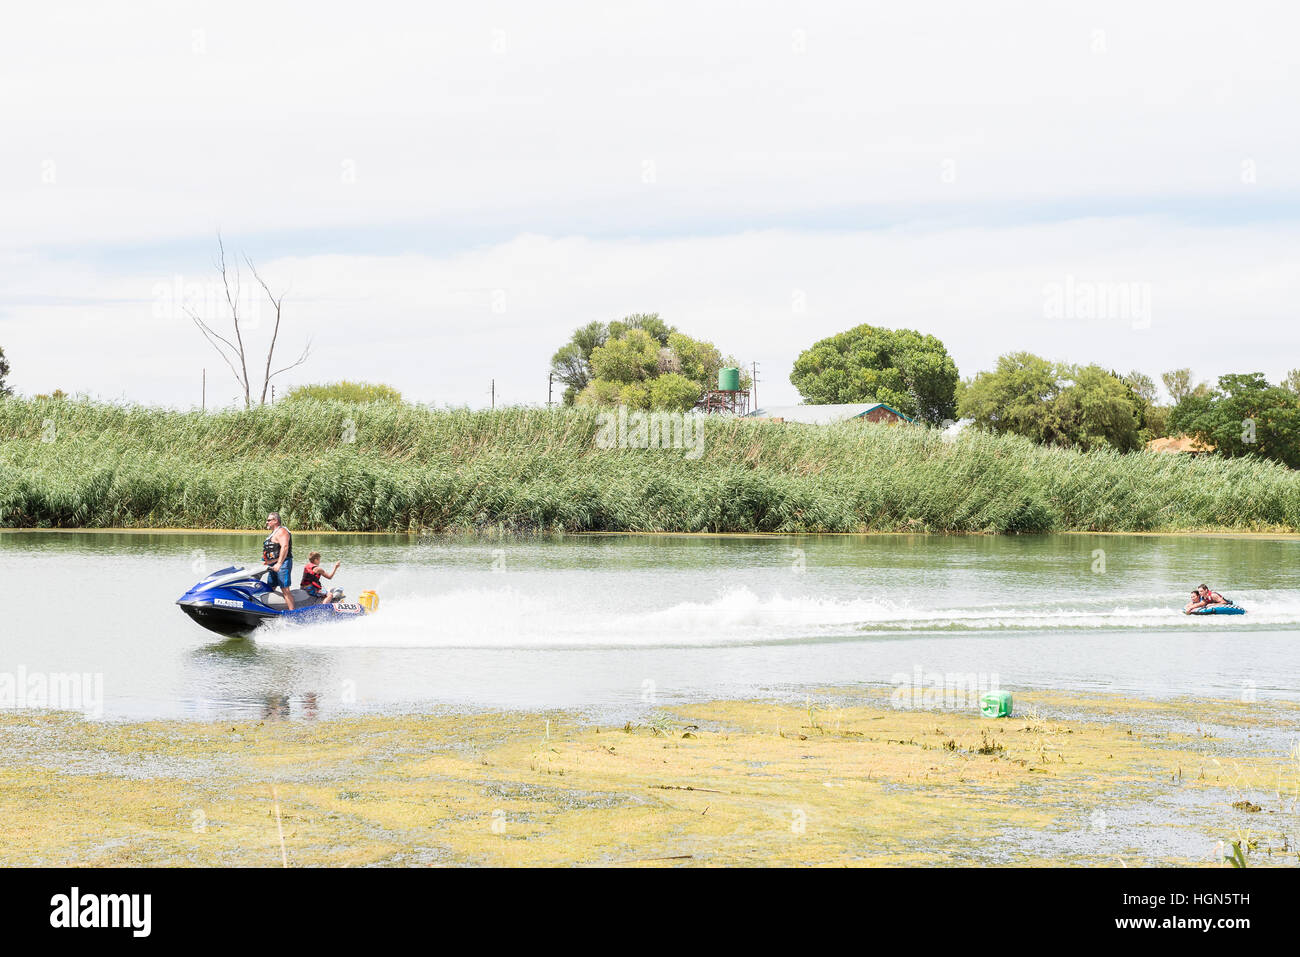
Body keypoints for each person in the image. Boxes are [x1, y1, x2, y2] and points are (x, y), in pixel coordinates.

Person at [262, 511, 295, 610]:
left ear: (275, 521)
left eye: (269, 520)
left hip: (283, 564)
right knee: (270, 588)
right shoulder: (273, 533)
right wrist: (267, 562)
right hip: (273, 565)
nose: (267, 522)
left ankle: (293, 613)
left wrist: (279, 564)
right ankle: (269, 610)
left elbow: (285, 547)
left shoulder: (282, 531)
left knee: (285, 589)